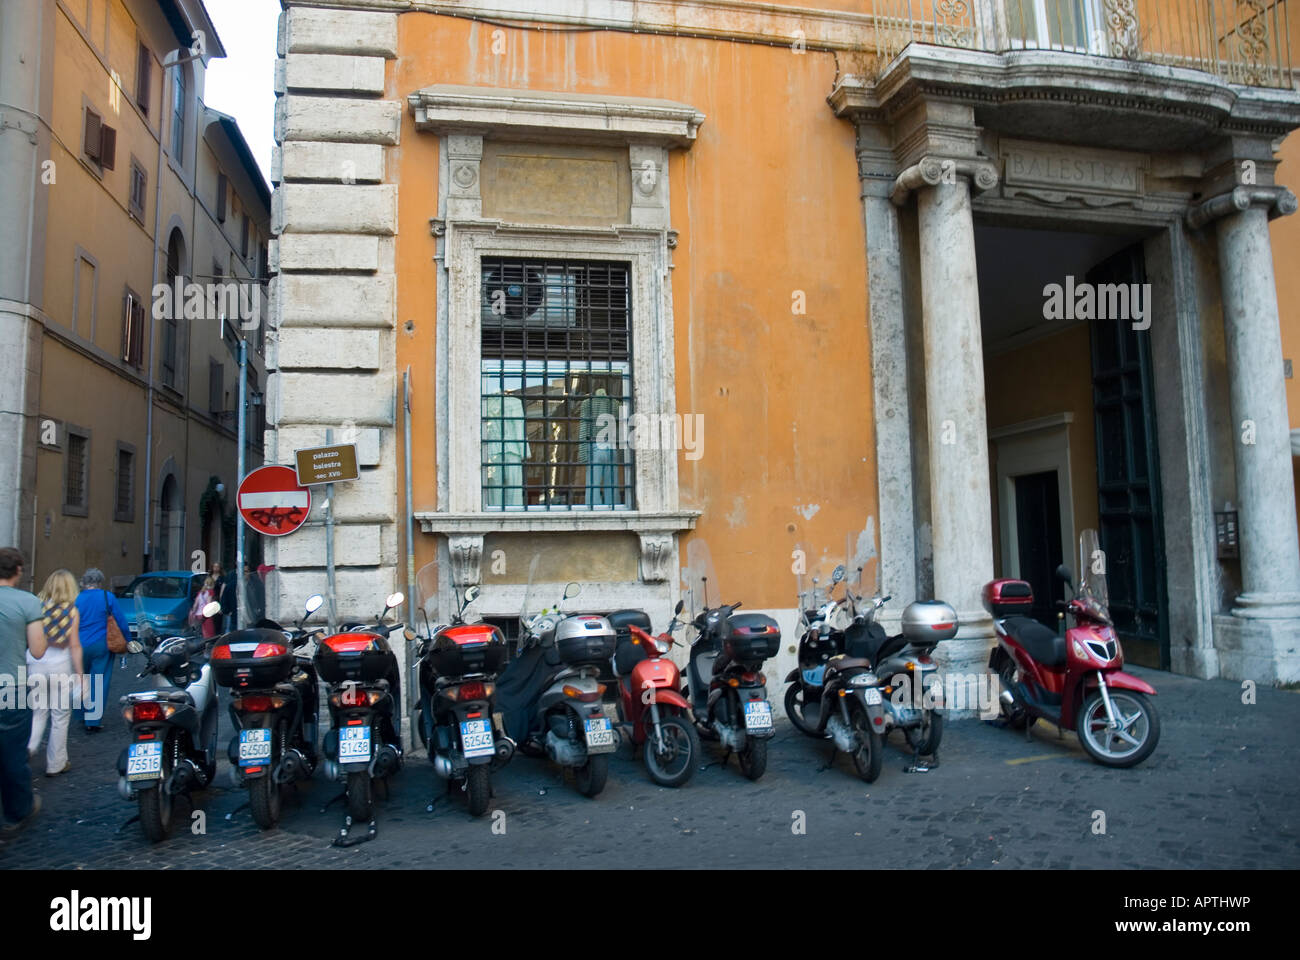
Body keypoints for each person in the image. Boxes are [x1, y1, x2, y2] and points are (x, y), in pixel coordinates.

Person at [0, 548, 48, 832]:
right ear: (18, 570)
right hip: (11, 687)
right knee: (12, 755)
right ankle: (18, 811)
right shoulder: (28, 602)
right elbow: (39, 650)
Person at [29, 570, 85, 777]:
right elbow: (75, 645)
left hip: (35, 662)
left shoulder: (36, 607)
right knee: (60, 716)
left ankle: (30, 747)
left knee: (38, 712)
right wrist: (80, 674)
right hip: (59, 665)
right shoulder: (72, 611)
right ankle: (56, 764)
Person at [74, 568, 131, 734]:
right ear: (100, 582)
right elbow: (121, 621)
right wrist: (128, 641)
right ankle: (93, 720)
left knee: (80, 678)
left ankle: (80, 714)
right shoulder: (107, 597)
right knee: (99, 681)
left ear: (84, 582)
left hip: (79, 644)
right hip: (101, 644)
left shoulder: (77, 598)